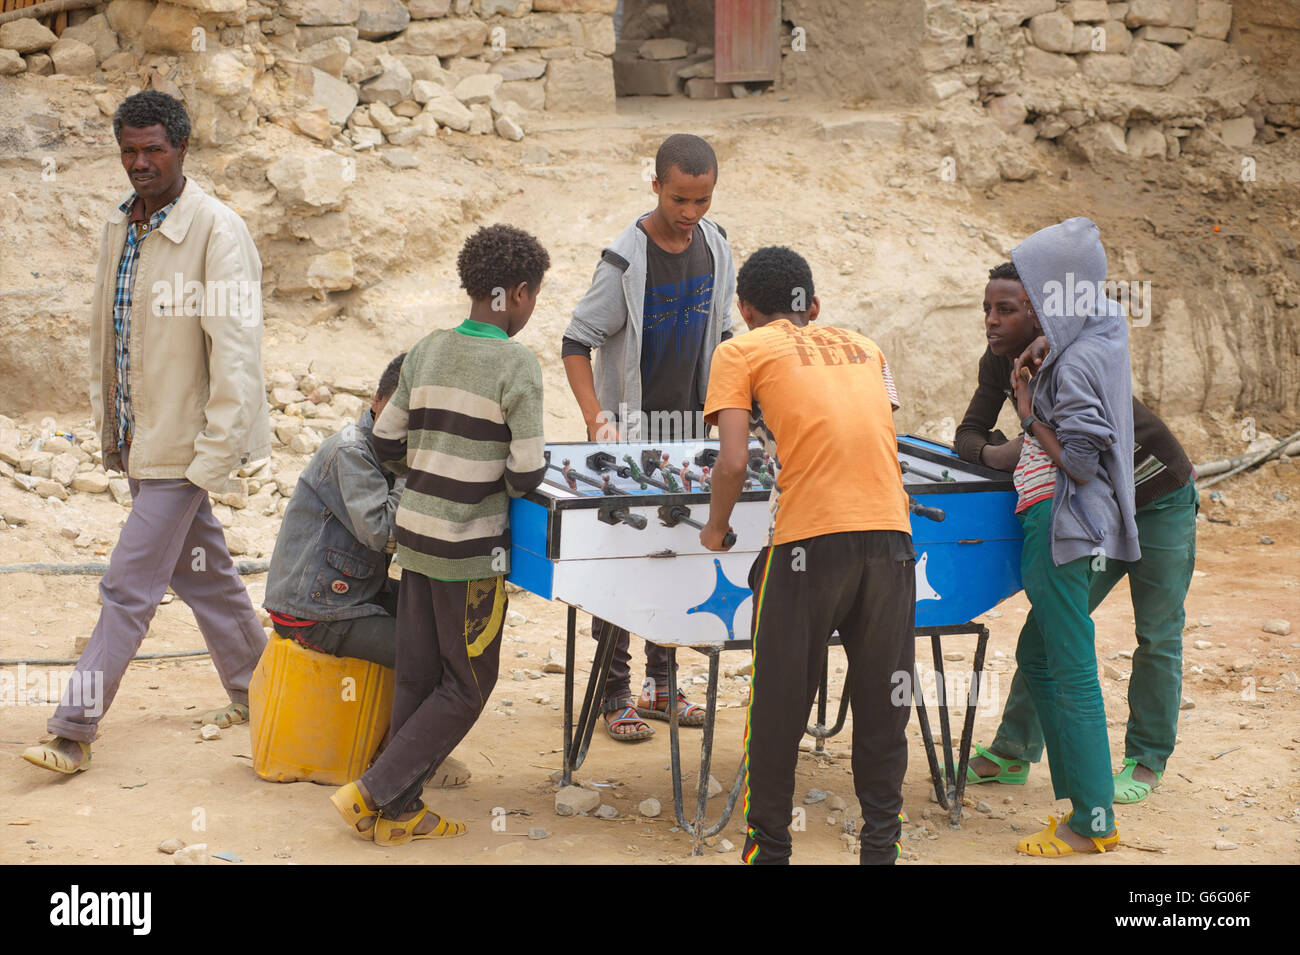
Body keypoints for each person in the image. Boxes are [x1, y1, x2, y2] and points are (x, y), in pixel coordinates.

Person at [23, 91, 270, 775]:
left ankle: (73, 726)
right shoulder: (120, 223)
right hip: (142, 437)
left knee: (129, 584)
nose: (139, 162)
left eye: (153, 149)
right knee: (206, 574)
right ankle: (262, 691)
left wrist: (213, 457)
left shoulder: (216, 231)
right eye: (129, 150)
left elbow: (236, 352)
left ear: (182, 148)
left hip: (184, 447)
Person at [330, 224, 549, 845]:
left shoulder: (426, 349)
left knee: (419, 676)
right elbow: (528, 472)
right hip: (470, 553)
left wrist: (428, 475)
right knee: (471, 682)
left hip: (417, 539)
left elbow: (384, 442)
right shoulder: (518, 364)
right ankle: (372, 791)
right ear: (521, 293)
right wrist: (487, 479)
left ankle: (397, 812)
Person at [700, 246, 916, 865]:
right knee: (884, 697)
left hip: (807, 544)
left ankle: (768, 850)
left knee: (778, 702)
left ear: (743, 310)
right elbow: (864, 424)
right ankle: (881, 847)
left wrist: (716, 530)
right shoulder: (865, 346)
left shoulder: (738, 350)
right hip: (892, 538)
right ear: (813, 306)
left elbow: (734, 462)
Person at [953, 261, 1197, 805]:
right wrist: (1003, 451)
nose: (991, 321)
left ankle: (1148, 759)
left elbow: (1081, 455)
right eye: (986, 309)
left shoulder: (1076, 351)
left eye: (1006, 310)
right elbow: (966, 434)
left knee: (1157, 633)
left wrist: (1031, 429)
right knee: (1050, 629)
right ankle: (1014, 752)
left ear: (1039, 312)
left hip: (1159, 496)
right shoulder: (1000, 363)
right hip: (1098, 507)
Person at [561, 133, 736, 740]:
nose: (691, 214)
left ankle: (662, 686)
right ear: (656, 184)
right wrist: (595, 419)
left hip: (692, 434)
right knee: (623, 559)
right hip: (631, 440)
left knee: (679, 557)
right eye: (681, 199)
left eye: (703, 200)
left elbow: (725, 331)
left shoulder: (716, 245)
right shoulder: (624, 260)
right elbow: (575, 341)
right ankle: (613, 693)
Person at [999, 217, 1139, 856]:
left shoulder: (1077, 362)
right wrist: (1041, 350)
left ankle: (1093, 820)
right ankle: (1083, 801)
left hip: (1060, 523)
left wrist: (1029, 414)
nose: (1014, 308)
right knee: (1040, 659)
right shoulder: (1099, 332)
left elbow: (1081, 459)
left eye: (1028, 294)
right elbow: (1094, 317)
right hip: (1071, 526)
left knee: (1072, 669)